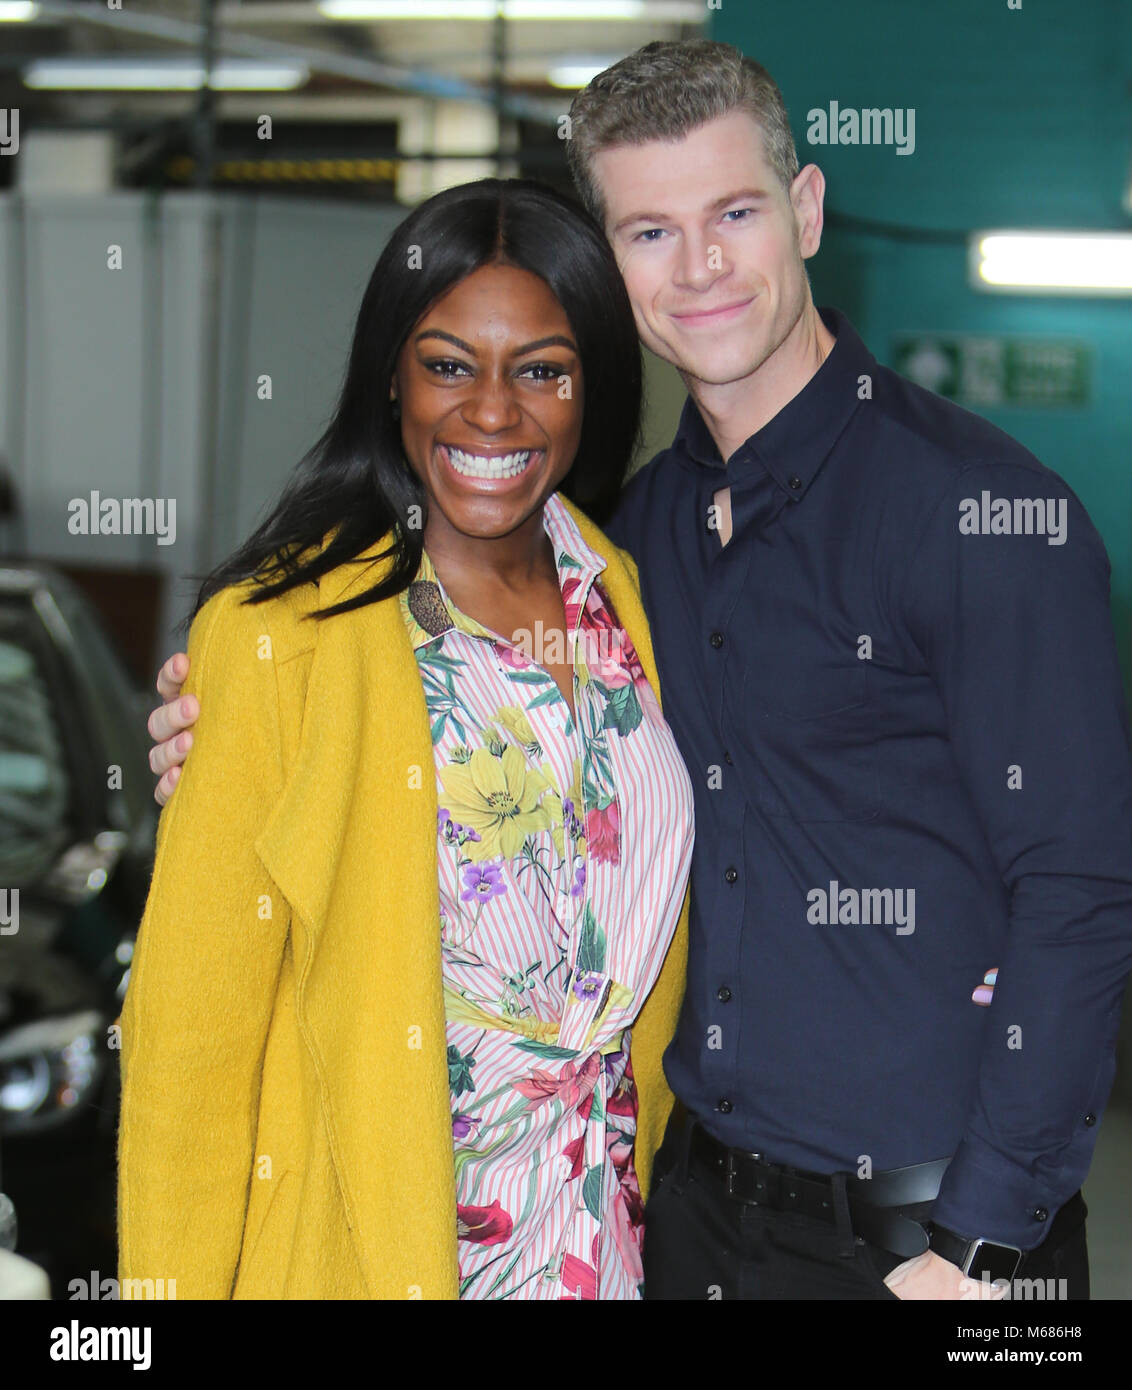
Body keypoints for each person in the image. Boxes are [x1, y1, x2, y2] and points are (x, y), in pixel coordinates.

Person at [146, 39, 1132, 1301]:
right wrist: (224, 722)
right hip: (677, 1219)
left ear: (808, 210)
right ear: (609, 275)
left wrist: (979, 1247)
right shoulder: (623, 548)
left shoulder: (982, 515)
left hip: (929, 1241)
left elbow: (1082, 890)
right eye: (649, 231)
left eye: (733, 213)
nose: (701, 266)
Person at [117, 177, 694, 1301]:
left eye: (542, 369)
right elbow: (189, 1038)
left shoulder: (618, 594)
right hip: (370, 1246)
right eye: (446, 364)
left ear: (593, 389)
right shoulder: (284, 637)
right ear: (391, 375)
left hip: (591, 1242)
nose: (493, 410)